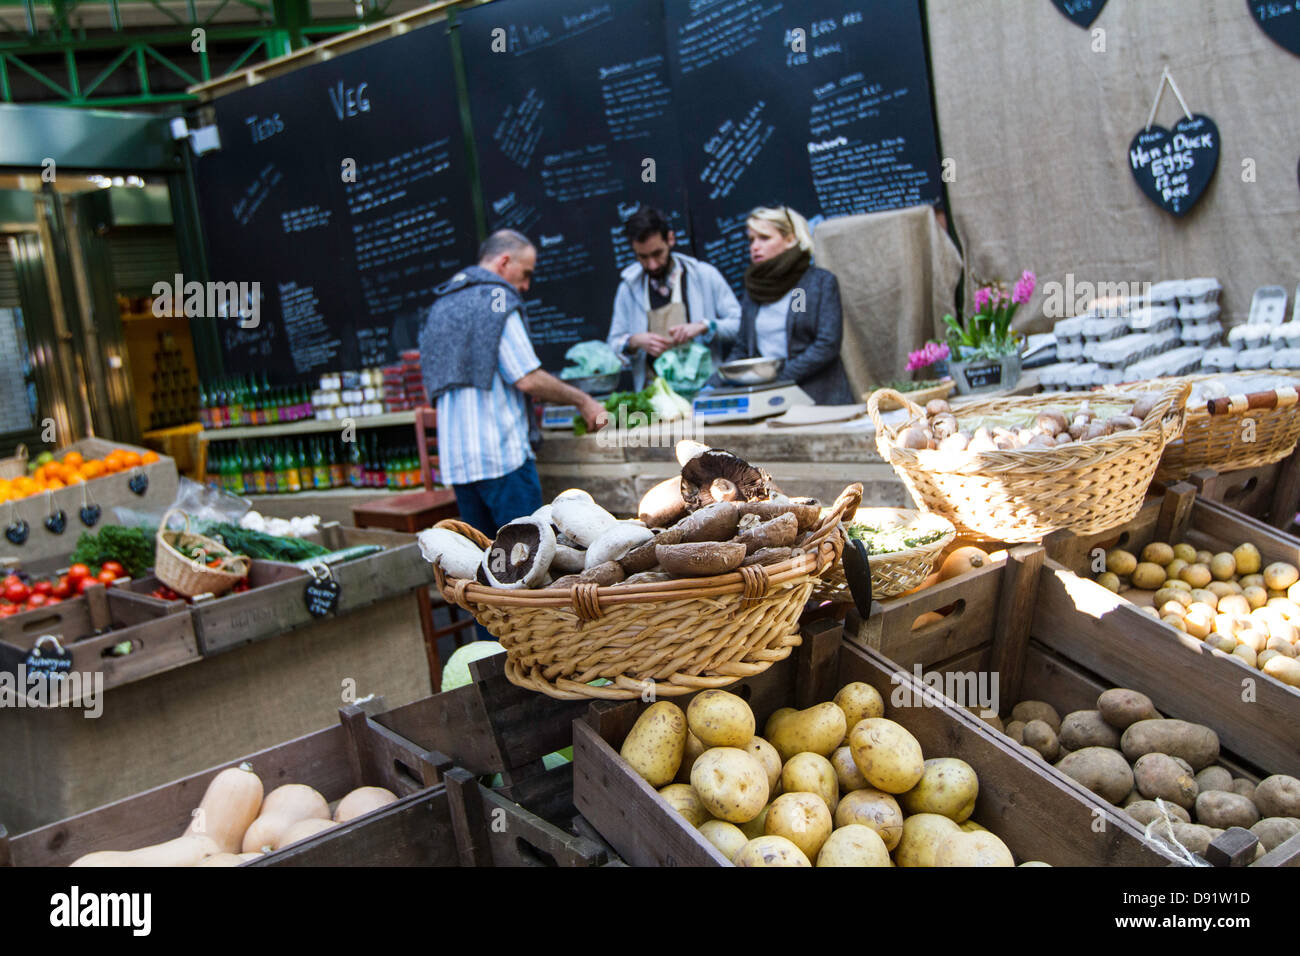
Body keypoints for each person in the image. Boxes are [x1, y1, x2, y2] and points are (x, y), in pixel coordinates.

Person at [420, 229, 608, 544]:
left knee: (487, 564)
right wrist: (583, 401)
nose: (525, 286)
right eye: (525, 274)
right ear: (505, 261)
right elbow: (527, 377)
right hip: (501, 458)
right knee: (528, 562)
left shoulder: (440, 306)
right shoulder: (495, 298)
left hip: (458, 464)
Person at [722, 205, 855, 405]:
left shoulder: (812, 284)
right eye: (751, 240)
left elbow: (826, 345)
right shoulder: (754, 292)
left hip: (819, 400)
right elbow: (742, 348)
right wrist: (716, 382)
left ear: (790, 239)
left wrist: (779, 378)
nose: (755, 246)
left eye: (764, 238)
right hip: (770, 401)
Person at [607, 206, 742, 391]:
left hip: (705, 392)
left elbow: (740, 325)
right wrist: (634, 341)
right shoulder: (628, 289)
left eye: (657, 254)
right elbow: (612, 345)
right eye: (643, 257)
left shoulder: (704, 276)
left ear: (670, 239)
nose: (652, 265)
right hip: (655, 396)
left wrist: (704, 326)